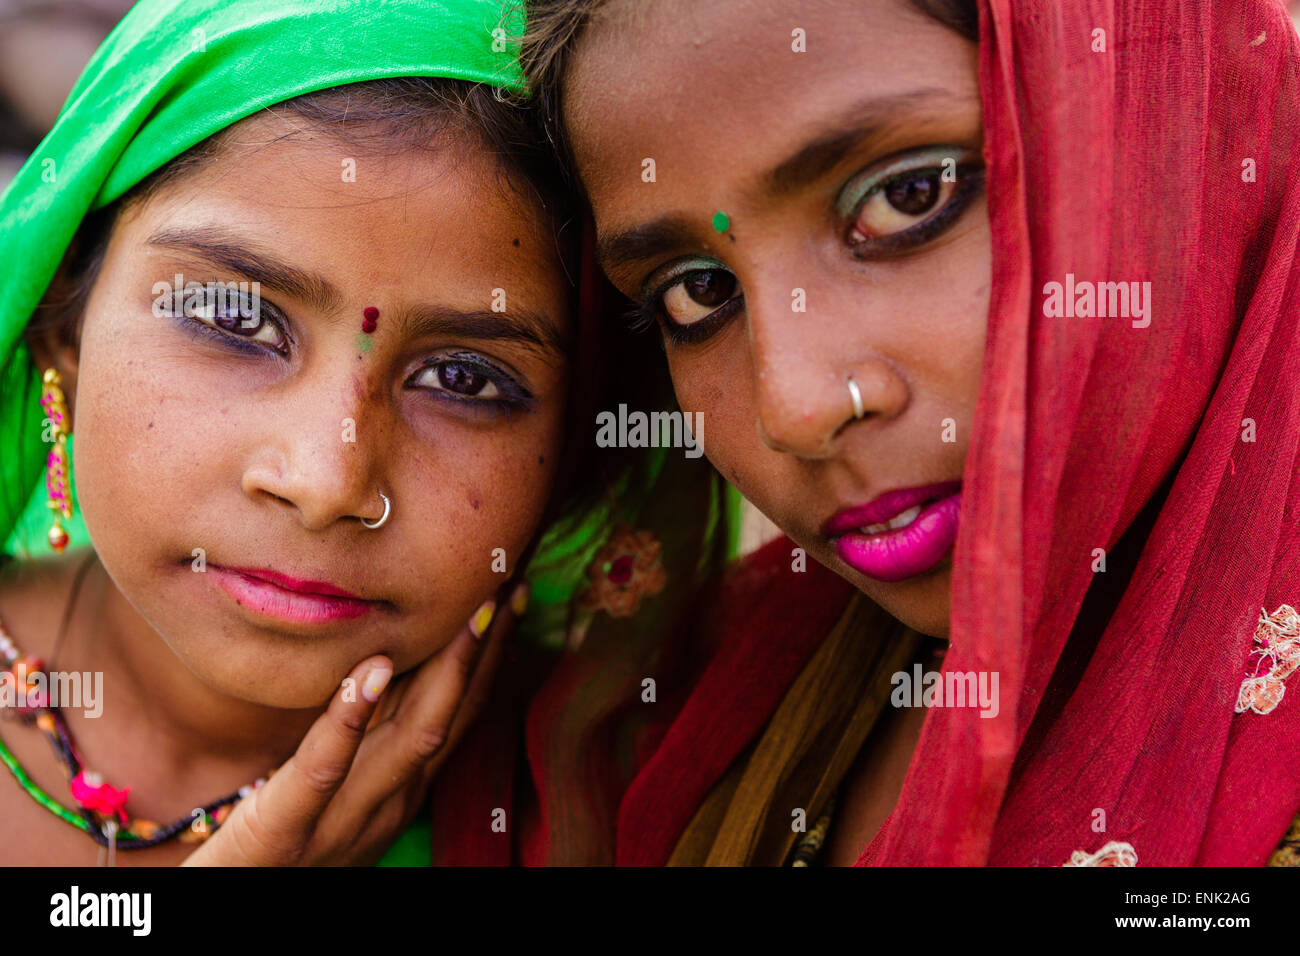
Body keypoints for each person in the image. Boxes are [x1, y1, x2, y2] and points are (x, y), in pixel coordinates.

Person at [511, 0, 1300, 864]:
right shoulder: (703, 707)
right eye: (697, 292)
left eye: (906, 198)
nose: (798, 409)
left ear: (1158, 106)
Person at [0, 0, 683, 866]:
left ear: (577, 444)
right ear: (65, 320)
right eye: (234, 320)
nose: (327, 482)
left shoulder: (613, 804)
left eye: (463, 379)